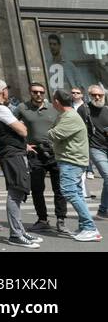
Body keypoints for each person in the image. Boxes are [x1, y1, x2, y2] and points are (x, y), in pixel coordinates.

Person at [0, 79, 39, 249]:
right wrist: (21, 126)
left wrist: (24, 144)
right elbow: (22, 130)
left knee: (17, 190)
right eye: (7, 89)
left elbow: (6, 132)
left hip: (10, 151)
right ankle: (15, 234)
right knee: (16, 192)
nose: (8, 92)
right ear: (3, 91)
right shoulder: (0, 108)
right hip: (11, 154)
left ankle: (20, 230)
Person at [14, 83, 67, 236]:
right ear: (30, 92)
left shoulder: (54, 108)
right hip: (35, 153)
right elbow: (10, 124)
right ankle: (42, 220)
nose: (38, 94)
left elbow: (64, 125)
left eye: (41, 92)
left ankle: (61, 219)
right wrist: (23, 144)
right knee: (37, 189)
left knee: (59, 188)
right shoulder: (22, 108)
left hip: (55, 152)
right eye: (35, 92)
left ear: (45, 93)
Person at [48, 88, 102, 241]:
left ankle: (90, 228)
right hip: (71, 159)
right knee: (76, 193)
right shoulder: (65, 115)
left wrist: (51, 132)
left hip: (71, 160)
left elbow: (53, 134)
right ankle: (85, 226)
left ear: (57, 102)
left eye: (53, 99)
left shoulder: (70, 116)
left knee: (69, 192)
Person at [83, 84, 107, 220]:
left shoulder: (107, 110)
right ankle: (103, 210)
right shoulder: (84, 110)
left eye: (100, 95)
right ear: (89, 95)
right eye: (94, 95)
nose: (97, 97)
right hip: (96, 148)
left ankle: (103, 210)